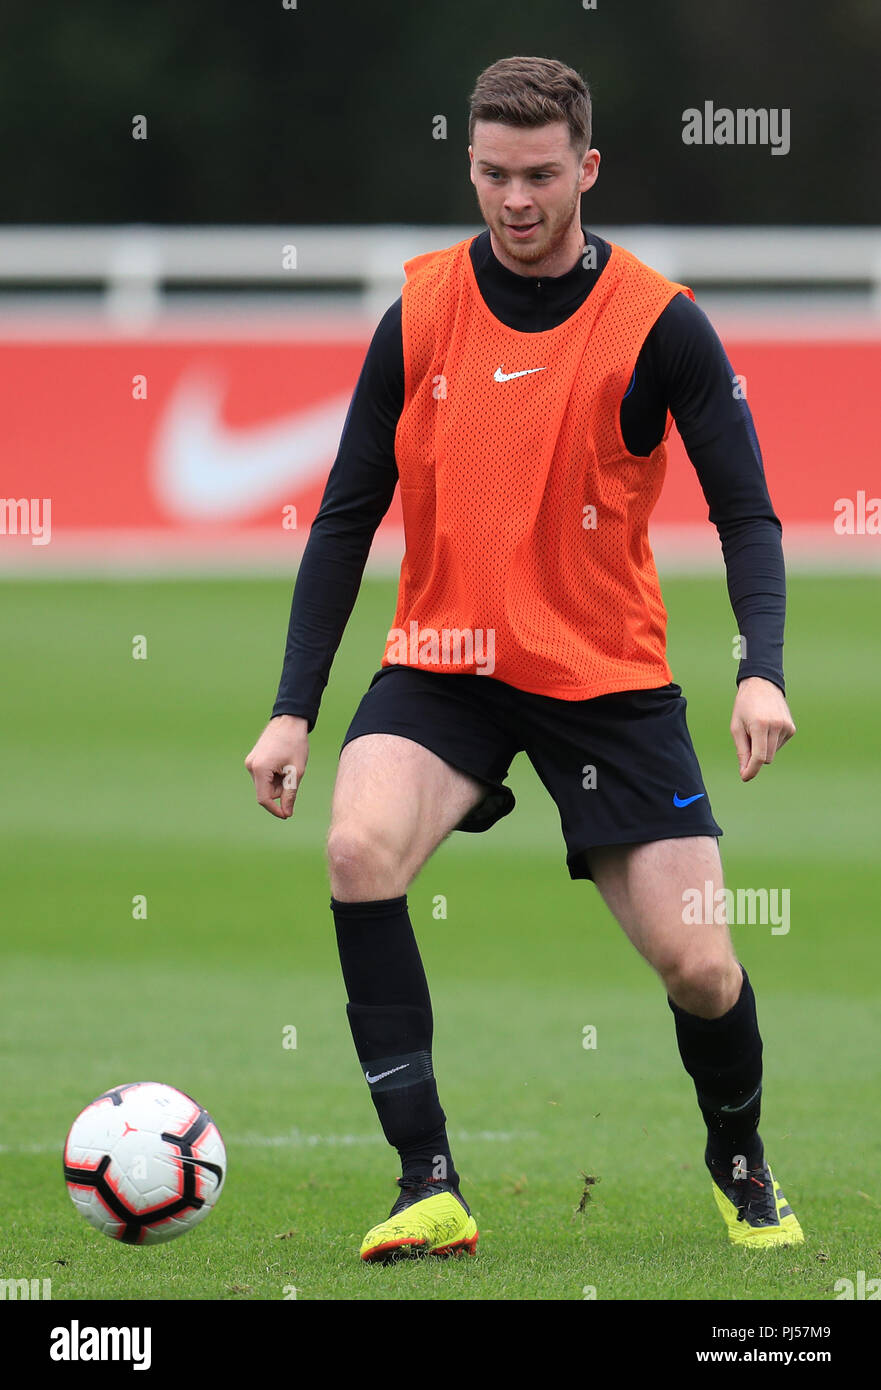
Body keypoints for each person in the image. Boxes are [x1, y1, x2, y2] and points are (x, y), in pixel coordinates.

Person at [245, 55, 803, 1262]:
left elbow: (745, 513)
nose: (513, 198)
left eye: (540, 174)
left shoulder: (661, 324)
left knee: (701, 966)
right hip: (444, 661)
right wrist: (293, 709)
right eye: (492, 172)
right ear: (470, 164)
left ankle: (740, 1159)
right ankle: (424, 1178)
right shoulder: (421, 310)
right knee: (355, 846)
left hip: (604, 679)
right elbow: (344, 515)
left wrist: (759, 664)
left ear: (585, 168)